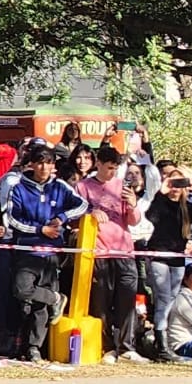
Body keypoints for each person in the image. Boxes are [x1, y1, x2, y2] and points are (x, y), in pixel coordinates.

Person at [2, 146, 90, 361]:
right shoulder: (19, 187)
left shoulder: (60, 187)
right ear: (31, 164)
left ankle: (34, 347)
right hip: (27, 250)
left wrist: (61, 218)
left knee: (39, 307)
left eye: (49, 163)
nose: (44, 167)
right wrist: (40, 230)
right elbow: (12, 220)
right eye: (40, 162)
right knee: (22, 291)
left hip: (51, 253)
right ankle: (56, 299)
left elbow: (83, 205)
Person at [76, 146, 146, 363]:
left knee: (127, 301)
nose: (111, 174)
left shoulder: (123, 186)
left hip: (124, 250)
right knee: (101, 303)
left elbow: (133, 220)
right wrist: (90, 213)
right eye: (108, 168)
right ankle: (106, 347)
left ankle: (127, 347)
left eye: (115, 169)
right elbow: (73, 215)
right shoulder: (83, 187)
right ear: (98, 164)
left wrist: (133, 204)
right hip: (98, 252)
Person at [143, 167, 192, 361]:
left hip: (177, 258)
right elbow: (151, 216)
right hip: (159, 257)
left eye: (180, 183)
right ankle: (162, 347)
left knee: (171, 299)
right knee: (163, 299)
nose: (175, 187)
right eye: (173, 182)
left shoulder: (185, 208)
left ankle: (162, 342)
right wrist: (161, 192)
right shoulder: (161, 203)